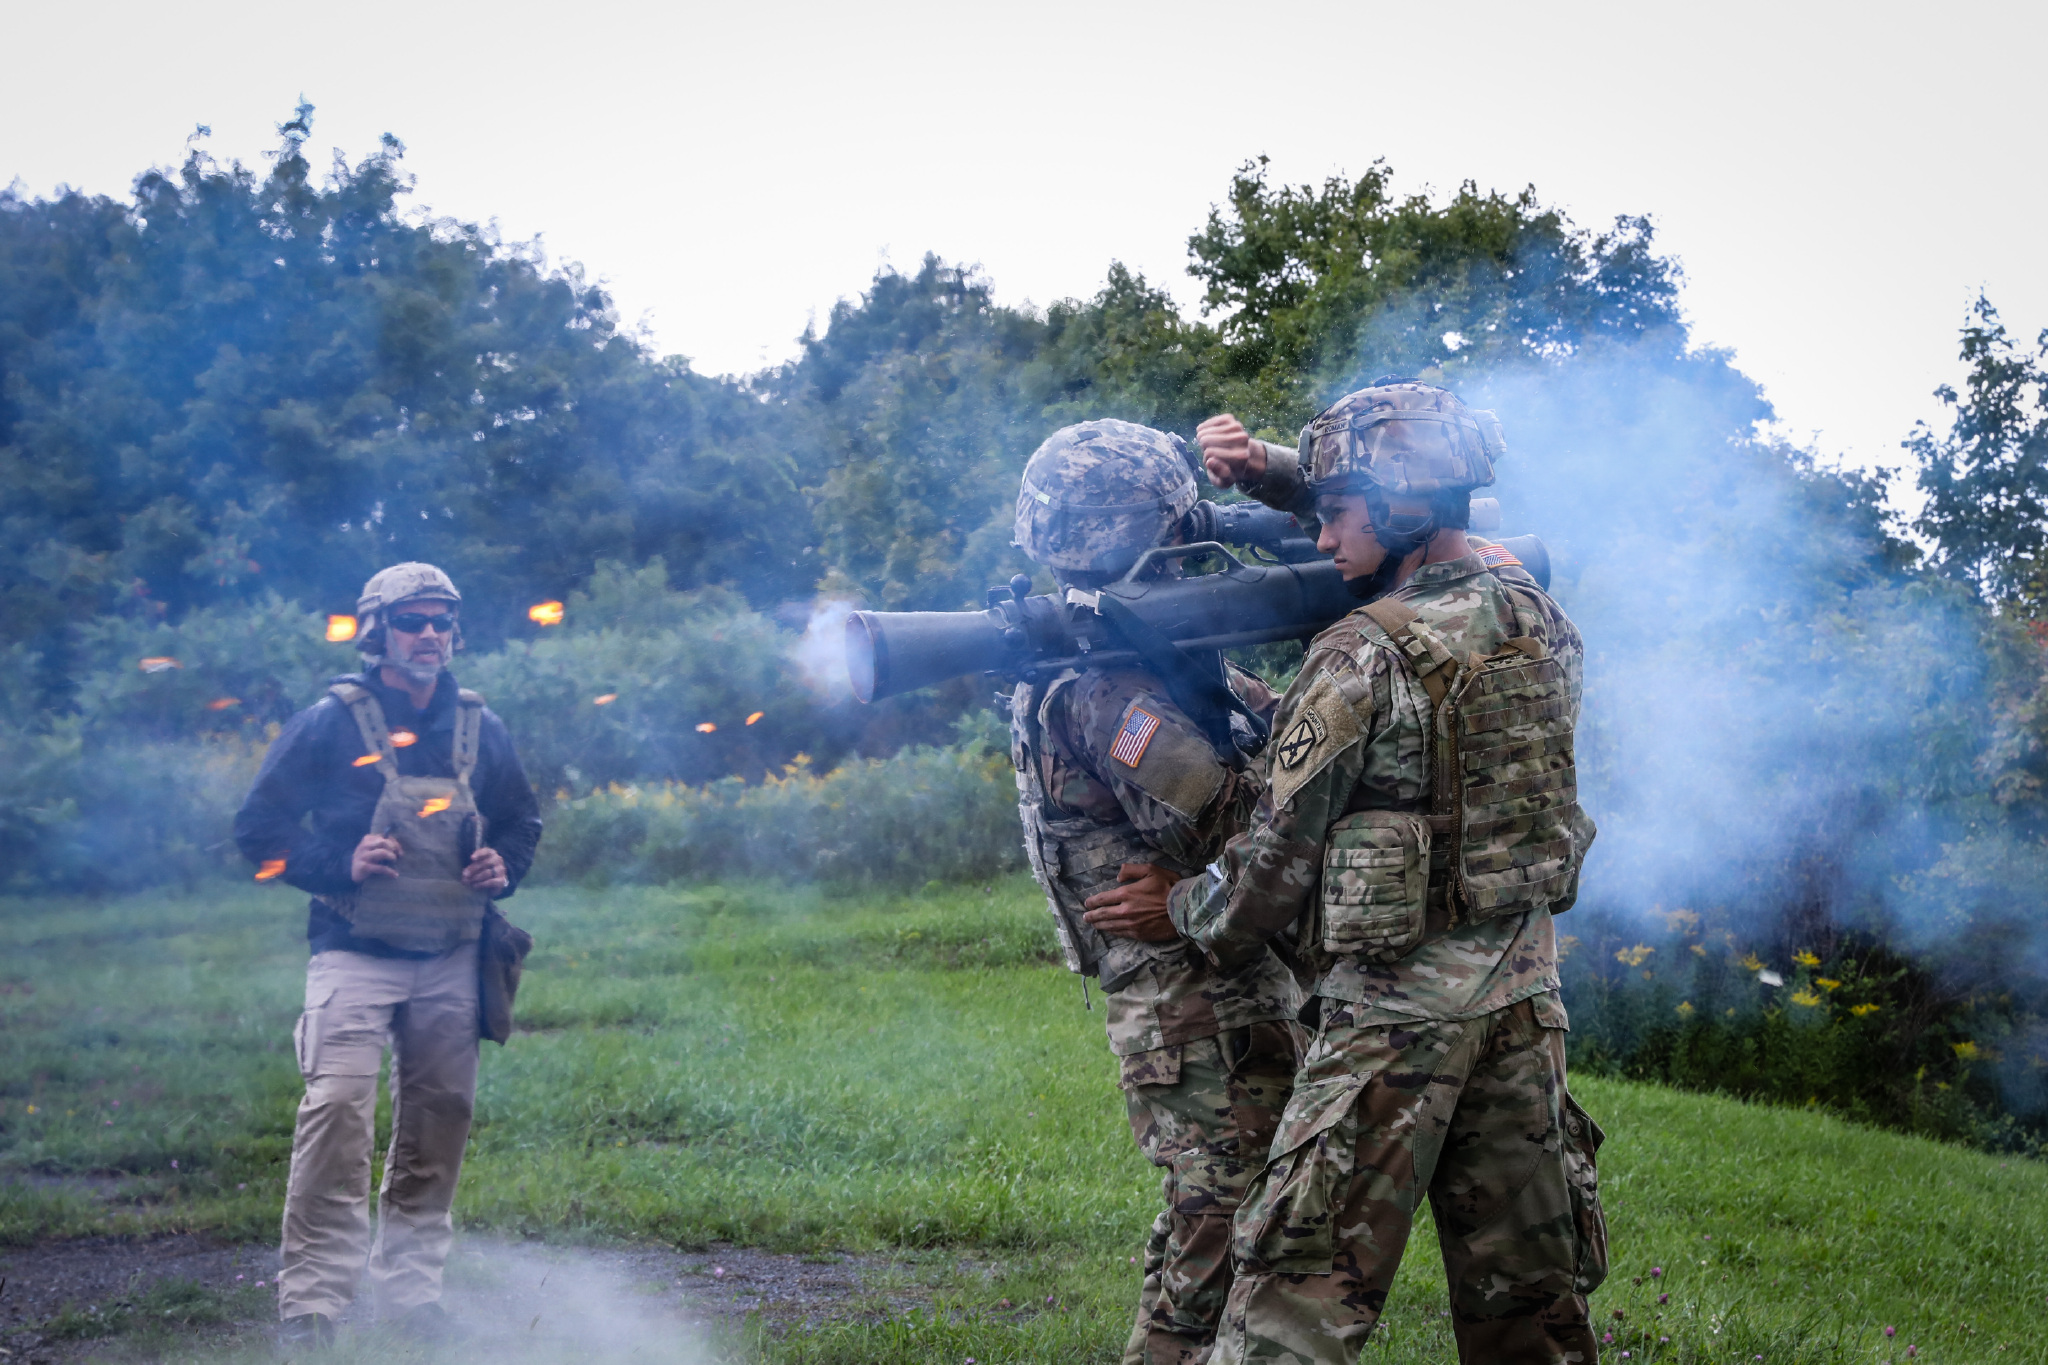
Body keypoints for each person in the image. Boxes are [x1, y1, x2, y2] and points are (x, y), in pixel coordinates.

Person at [1083, 384, 1607, 1364]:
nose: (1319, 537)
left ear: (1404, 505)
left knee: (1288, 1306)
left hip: (1388, 1027)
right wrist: (1275, 473)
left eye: (1336, 512)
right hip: (1523, 1006)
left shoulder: (1356, 657)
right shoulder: (1539, 616)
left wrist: (1179, 905)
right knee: (1528, 1311)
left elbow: (1269, 871)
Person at [1010, 419, 1304, 1365]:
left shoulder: (1156, 663)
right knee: (1212, 1238)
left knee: (1220, 1224)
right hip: (1193, 1007)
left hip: (1208, 991)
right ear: (1159, 535)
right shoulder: (1107, 688)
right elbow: (1230, 821)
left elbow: (1260, 740)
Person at [235, 562, 543, 1347]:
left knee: (441, 1118)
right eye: (413, 619)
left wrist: (502, 865)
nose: (430, 633)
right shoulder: (329, 721)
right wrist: (339, 863)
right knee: (336, 1111)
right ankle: (311, 1306)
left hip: (452, 950)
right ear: (377, 632)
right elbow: (256, 832)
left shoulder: (483, 723)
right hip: (352, 948)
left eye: (442, 619)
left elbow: (522, 821)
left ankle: (411, 1296)